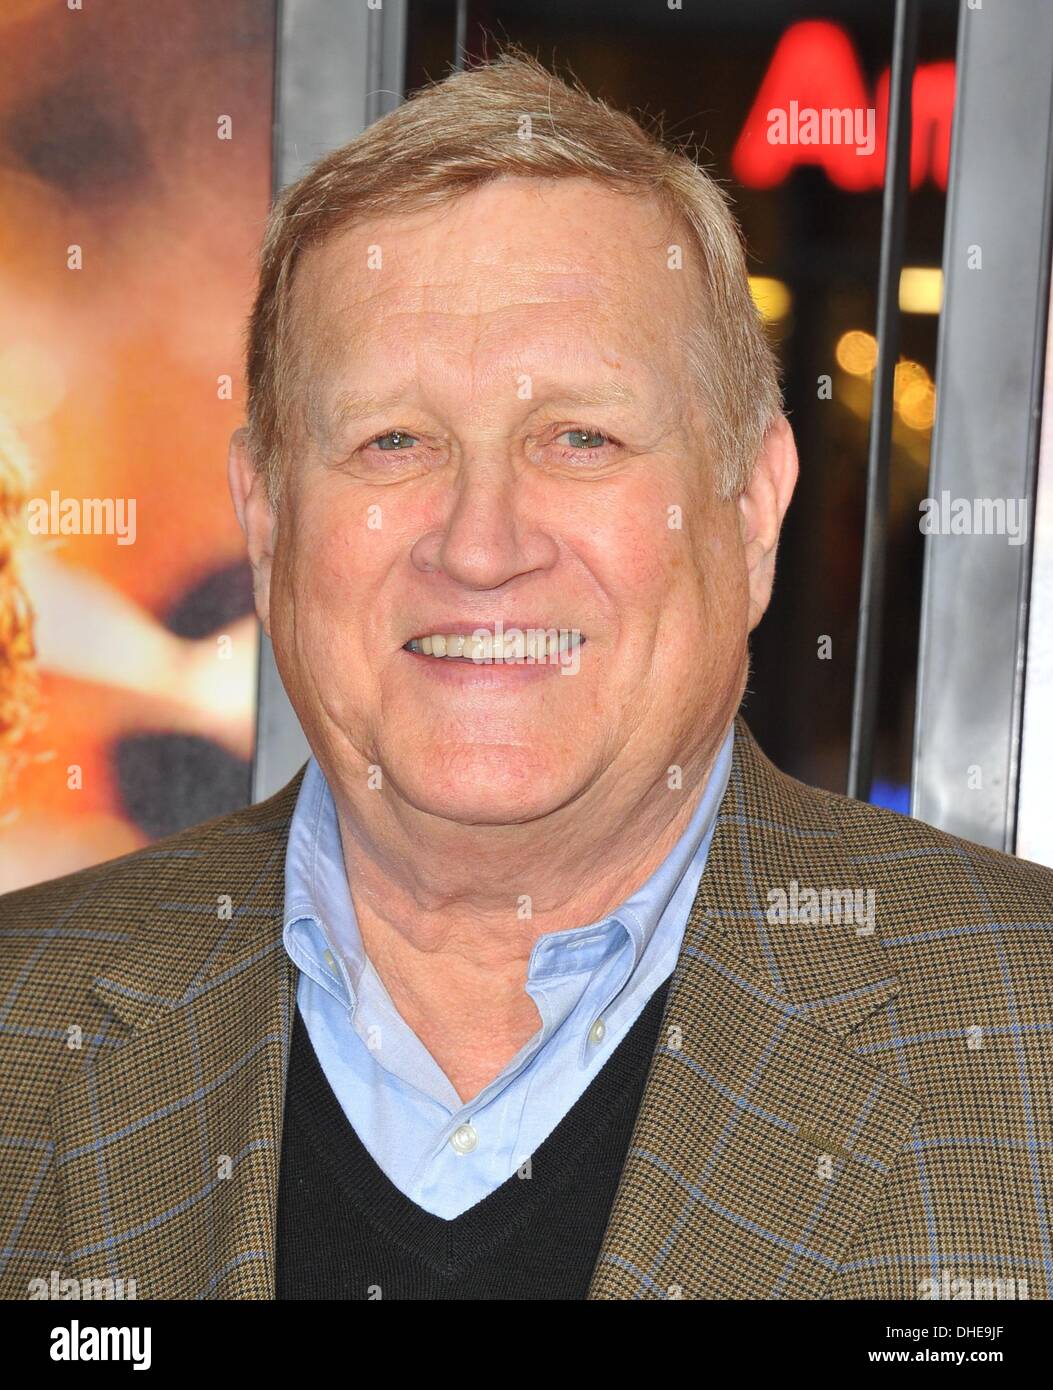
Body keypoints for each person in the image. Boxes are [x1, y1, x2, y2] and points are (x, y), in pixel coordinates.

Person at [1, 49, 1051, 1302]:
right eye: (392, 440)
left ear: (754, 511)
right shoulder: (22, 1021)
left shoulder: (1024, 1036)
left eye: (580, 438)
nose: (482, 546)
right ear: (268, 515)